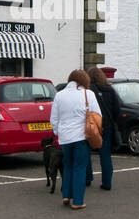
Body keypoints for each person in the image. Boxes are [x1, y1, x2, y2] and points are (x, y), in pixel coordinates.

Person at [50, 69, 102, 210]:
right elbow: (97, 114)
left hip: (65, 137)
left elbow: (53, 119)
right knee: (80, 167)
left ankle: (66, 196)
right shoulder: (88, 94)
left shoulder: (59, 95)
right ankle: (78, 201)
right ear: (84, 80)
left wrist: (58, 132)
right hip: (82, 136)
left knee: (68, 165)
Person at [87, 67, 121, 191]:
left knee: (86, 152)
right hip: (106, 126)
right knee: (105, 154)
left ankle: (87, 178)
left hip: (90, 126)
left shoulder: (88, 90)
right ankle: (107, 182)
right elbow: (117, 109)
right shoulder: (110, 89)